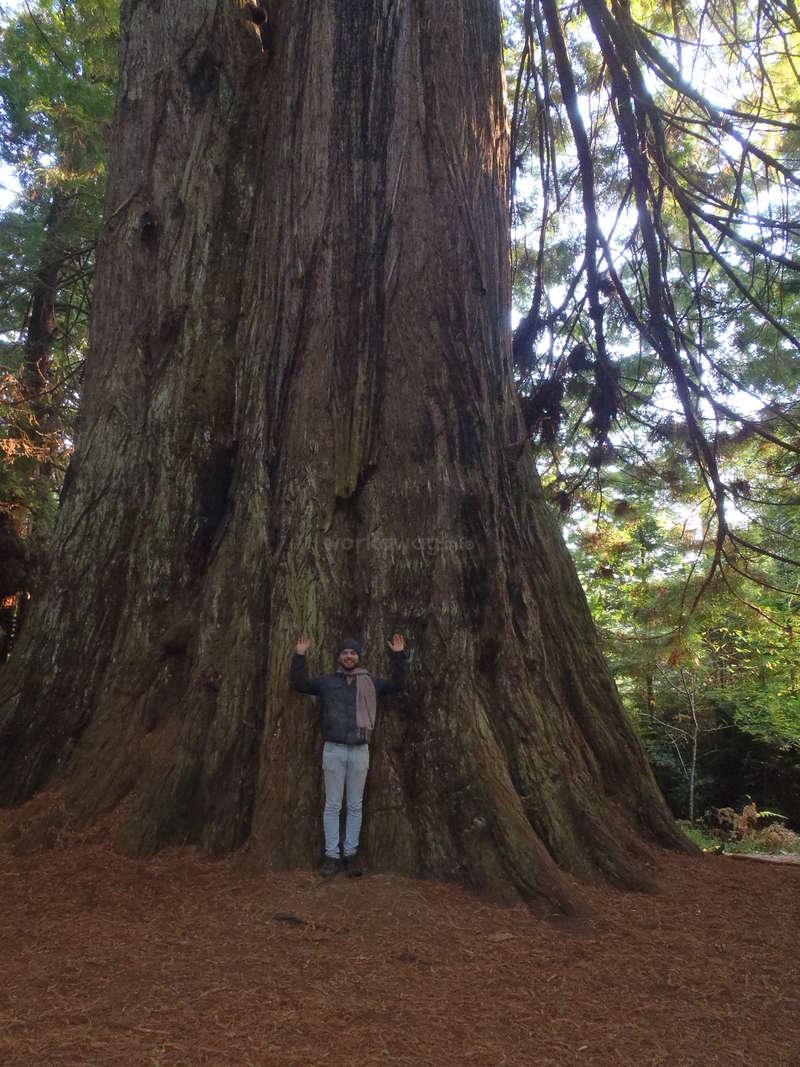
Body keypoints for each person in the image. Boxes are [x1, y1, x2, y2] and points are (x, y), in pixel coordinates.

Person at [290, 632, 407, 877]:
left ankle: (350, 854)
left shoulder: (370, 682)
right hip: (333, 749)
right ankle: (332, 856)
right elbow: (299, 684)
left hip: (360, 749)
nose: (349, 656)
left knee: (355, 805)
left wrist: (398, 656)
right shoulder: (327, 683)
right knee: (333, 805)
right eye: (345, 653)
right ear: (339, 657)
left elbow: (398, 685)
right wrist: (299, 655)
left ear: (358, 656)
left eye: (353, 653)